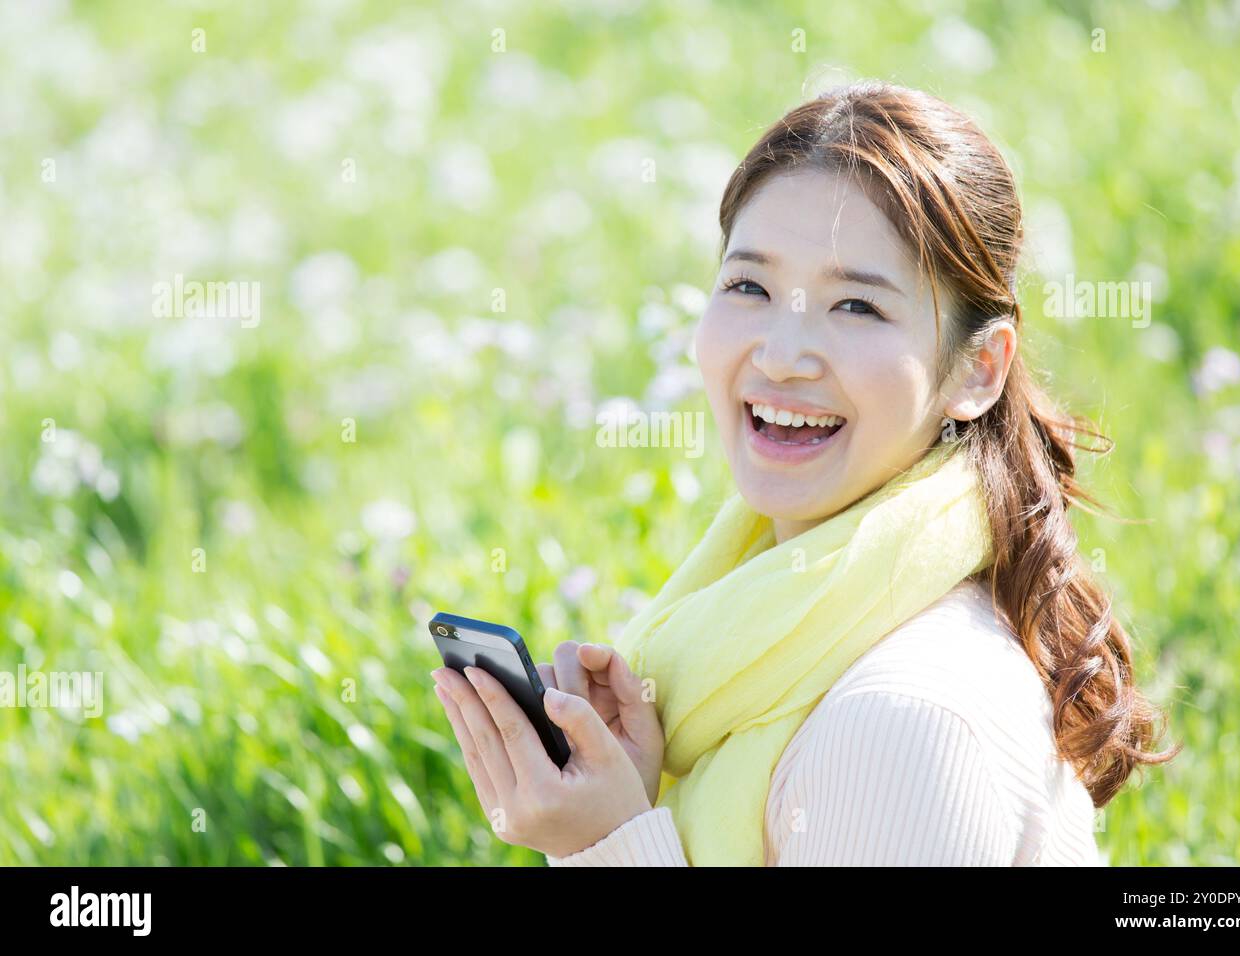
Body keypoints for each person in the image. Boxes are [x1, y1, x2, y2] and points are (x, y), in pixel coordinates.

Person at [431, 79, 1181, 866]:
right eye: (748, 287)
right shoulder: (756, 636)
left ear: (978, 370)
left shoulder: (900, 721)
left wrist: (608, 847)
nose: (782, 357)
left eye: (856, 306)